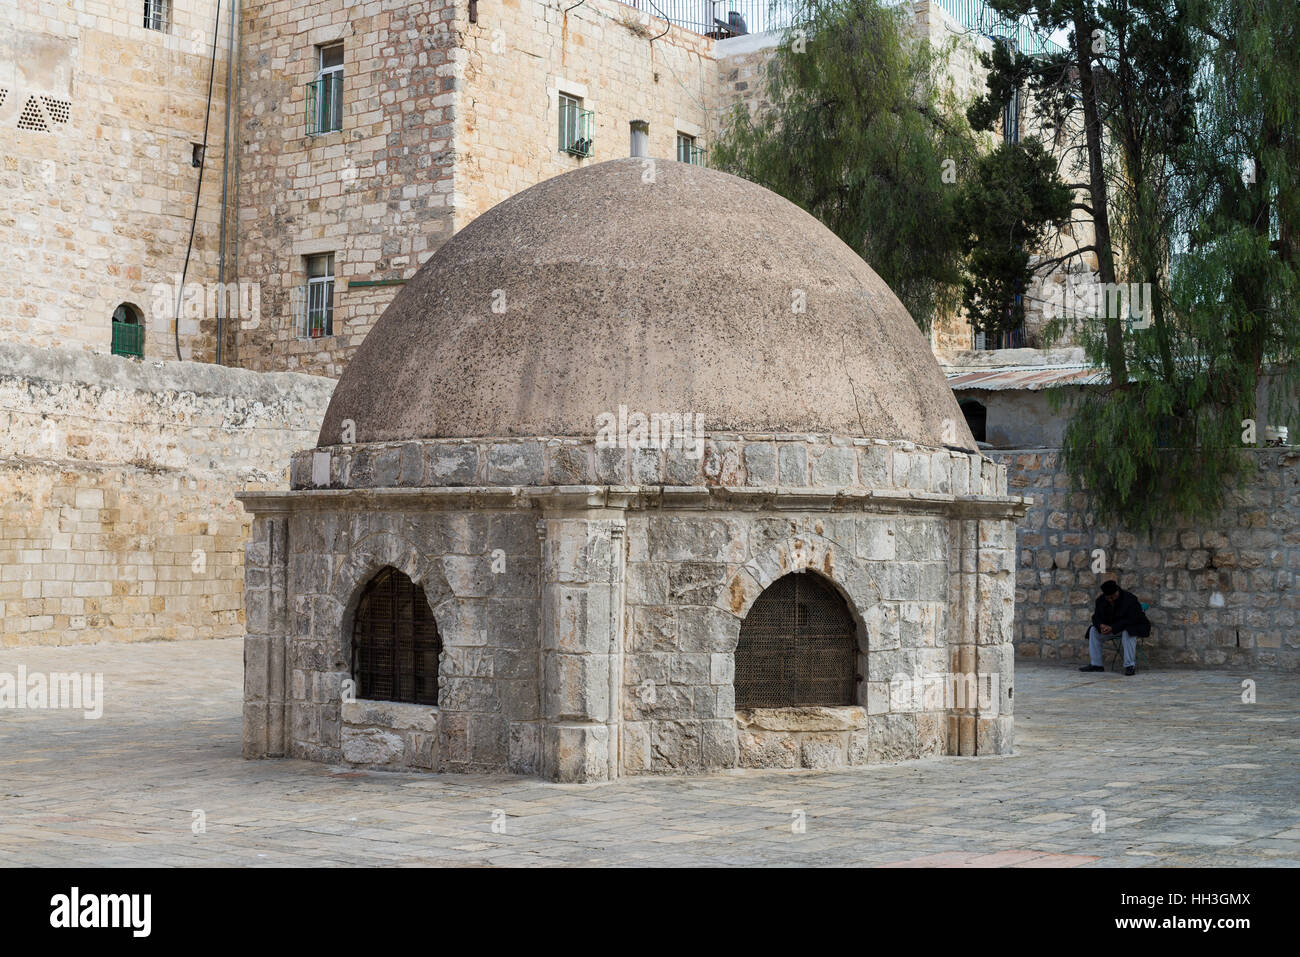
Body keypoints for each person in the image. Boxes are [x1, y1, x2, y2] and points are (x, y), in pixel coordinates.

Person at [1079, 580, 1151, 676]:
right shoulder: (1100, 600)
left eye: (1113, 597)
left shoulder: (1130, 599)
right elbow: (1095, 617)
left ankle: (1129, 666)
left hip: (1132, 626)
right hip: (1112, 629)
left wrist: (1113, 627)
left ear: (1117, 591)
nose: (1111, 600)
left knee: (1128, 632)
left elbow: (1133, 619)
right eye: (1108, 598)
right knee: (1093, 630)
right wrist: (1101, 625)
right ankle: (1096, 665)